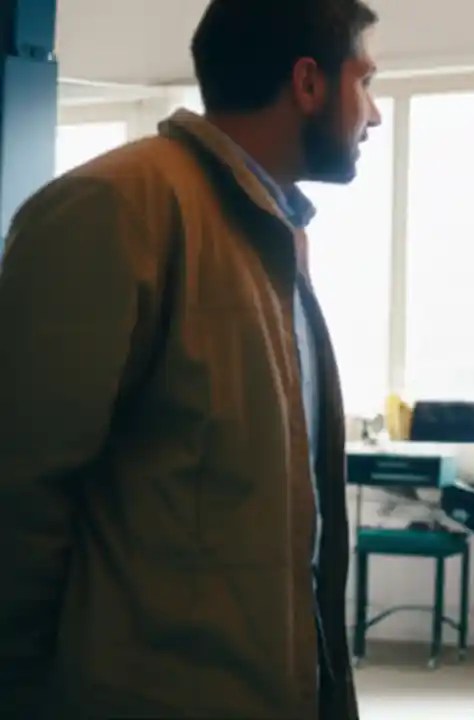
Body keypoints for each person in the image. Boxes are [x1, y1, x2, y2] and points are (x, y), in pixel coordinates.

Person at [0, 0, 381, 717]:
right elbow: (17, 491)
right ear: (308, 83)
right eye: (365, 81)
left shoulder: (272, 230)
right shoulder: (112, 208)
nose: (375, 115)